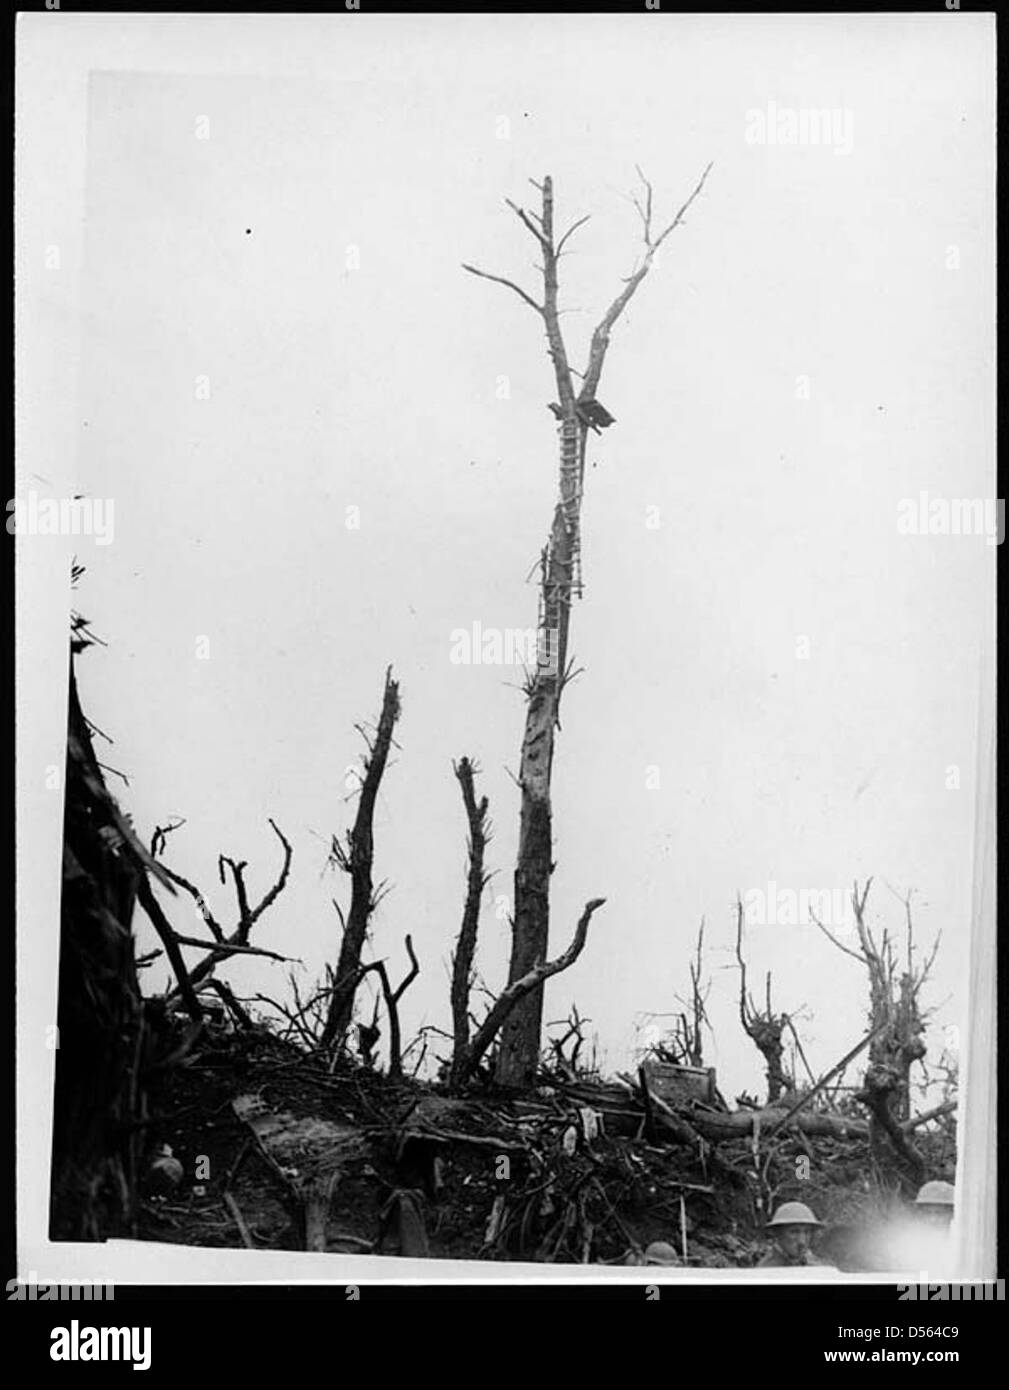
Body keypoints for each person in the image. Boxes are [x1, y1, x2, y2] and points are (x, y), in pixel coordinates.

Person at [757, 1201, 827, 1267]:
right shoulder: (767, 1270)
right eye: (794, 1232)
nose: (801, 1241)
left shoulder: (814, 1264)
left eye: (807, 1232)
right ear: (777, 1233)